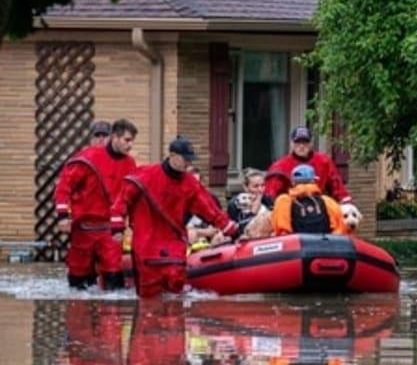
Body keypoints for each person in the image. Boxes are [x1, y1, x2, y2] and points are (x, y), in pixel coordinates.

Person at [111, 136, 237, 298]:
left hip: (173, 246)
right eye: (185, 159)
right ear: (172, 156)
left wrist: (229, 228)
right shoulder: (144, 176)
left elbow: (209, 208)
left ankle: (171, 323)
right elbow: (122, 202)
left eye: (190, 160)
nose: (188, 163)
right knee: (149, 298)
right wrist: (117, 227)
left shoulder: (190, 183)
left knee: (175, 295)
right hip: (147, 246)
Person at [54, 118, 138, 289]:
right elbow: (64, 187)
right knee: (78, 280)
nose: (130, 145)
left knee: (114, 279)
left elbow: (131, 196)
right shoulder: (86, 159)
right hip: (84, 228)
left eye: (132, 141)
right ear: (115, 137)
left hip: (111, 230)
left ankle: (113, 313)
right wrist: (63, 215)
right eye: (127, 140)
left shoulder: (129, 163)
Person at [265, 126, 356, 209]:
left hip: (320, 210)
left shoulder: (324, 162)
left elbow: (337, 186)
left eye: (305, 142)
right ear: (292, 143)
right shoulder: (280, 166)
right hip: (292, 212)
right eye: (298, 142)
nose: (301, 146)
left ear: (311, 143)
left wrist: (347, 204)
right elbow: (270, 194)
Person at [270, 164, 348, 236]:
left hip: (296, 248)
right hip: (324, 247)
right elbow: (340, 229)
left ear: (293, 182)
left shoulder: (283, 201)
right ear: (313, 181)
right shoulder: (327, 201)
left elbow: (282, 232)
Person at [227, 168, 274, 234]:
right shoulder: (235, 204)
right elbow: (237, 229)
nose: (260, 189)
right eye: (256, 186)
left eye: (262, 185)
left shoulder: (268, 200)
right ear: (246, 187)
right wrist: (253, 211)